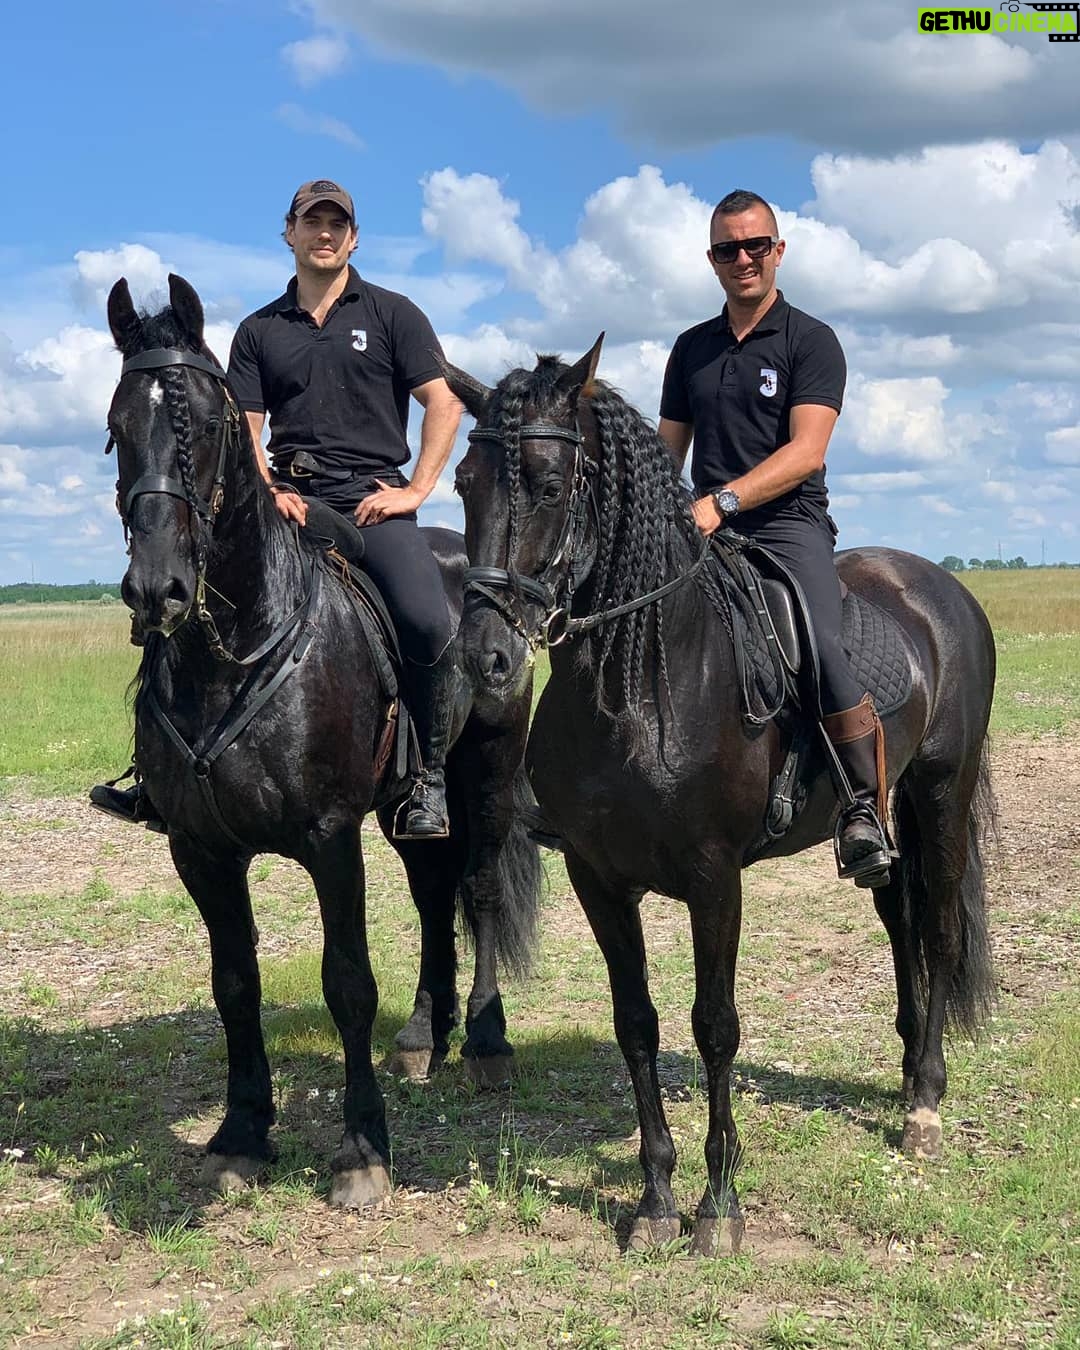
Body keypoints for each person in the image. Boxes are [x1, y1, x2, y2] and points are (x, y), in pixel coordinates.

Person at [91, 178, 462, 839]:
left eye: (337, 223)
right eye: (311, 221)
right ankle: (156, 773)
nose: (325, 232)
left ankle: (427, 779)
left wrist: (415, 491)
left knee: (429, 619)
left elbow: (443, 400)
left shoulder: (393, 314)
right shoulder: (260, 331)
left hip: (373, 500)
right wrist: (269, 492)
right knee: (174, 598)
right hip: (290, 501)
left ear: (354, 237)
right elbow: (246, 430)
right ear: (288, 232)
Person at [657, 188, 891, 887]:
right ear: (712, 259)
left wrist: (721, 502)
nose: (744, 258)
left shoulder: (809, 340)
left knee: (819, 644)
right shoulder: (690, 348)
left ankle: (861, 807)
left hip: (787, 524)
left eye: (756, 245)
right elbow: (667, 450)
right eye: (729, 248)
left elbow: (806, 452)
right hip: (701, 523)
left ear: (778, 251)